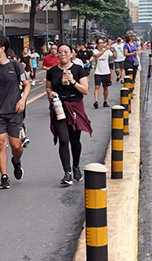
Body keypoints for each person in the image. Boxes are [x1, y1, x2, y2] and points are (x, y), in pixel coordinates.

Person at [0, 35, 30, 189]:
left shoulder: (16, 65)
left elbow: (27, 84)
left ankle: (16, 162)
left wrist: (22, 100)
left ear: (2, 48)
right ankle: (4, 177)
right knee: (0, 144)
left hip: (15, 112)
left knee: (16, 146)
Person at [45, 44, 93, 186]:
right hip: (59, 107)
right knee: (63, 139)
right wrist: (50, 93)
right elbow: (48, 87)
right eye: (59, 52)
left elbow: (85, 90)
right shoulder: (52, 71)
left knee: (75, 140)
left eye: (66, 52)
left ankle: (76, 165)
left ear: (72, 54)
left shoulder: (78, 69)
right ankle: (67, 173)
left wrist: (72, 81)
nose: (62, 54)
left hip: (75, 107)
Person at [92, 38, 113, 108]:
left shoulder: (107, 51)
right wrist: (105, 50)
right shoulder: (95, 51)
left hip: (106, 72)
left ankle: (105, 101)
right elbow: (97, 55)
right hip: (98, 72)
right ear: (97, 44)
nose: (102, 44)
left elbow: (114, 57)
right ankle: (96, 101)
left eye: (102, 43)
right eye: (100, 43)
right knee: (97, 86)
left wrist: (113, 50)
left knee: (105, 87)